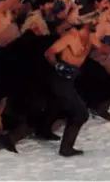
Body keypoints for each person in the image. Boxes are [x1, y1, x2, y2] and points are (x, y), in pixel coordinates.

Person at [44, 22, 94, 157]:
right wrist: (57, 66)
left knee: (55, 108)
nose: (96, 19)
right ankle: (66, 148)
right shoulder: (70, 37)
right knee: (80, 113)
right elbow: (49, 53)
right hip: (60, 78)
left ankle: (63, 145)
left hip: (71, 79)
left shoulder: (91, 37)